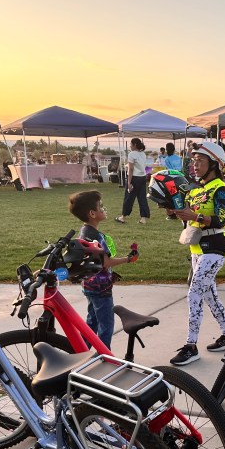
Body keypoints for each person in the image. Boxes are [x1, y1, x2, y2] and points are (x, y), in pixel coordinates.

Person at [168, 142, 225, 366]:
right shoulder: (195, 189)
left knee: (195, 293)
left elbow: (221, 219)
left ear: (213, 164)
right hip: (196, 248)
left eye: (200, 161)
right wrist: (174, 211)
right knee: (209, 295)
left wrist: (194, 216)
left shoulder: (221, 188)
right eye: (193, 160)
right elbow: (186, 215)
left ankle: (190, 346)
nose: (195, 165)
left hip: (215, 246)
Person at [68, 190, 137, 349]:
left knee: (92, 320)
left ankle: (81, 351)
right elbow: (106, 263)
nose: (103, 209)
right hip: (101, 288)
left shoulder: (84, 231)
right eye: (101, 207)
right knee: (106, 324)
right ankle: (105, 356)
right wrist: (128, 259)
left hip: (89, 285)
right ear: (92, 213)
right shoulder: (96, 237)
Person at [117, 137, 150, 224]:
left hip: (134, 178)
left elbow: (131, 169)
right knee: (142, 198)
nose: (130, 146)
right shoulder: (143, 154)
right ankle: (143, 218)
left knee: (129, 198)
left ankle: (123, 217)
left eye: (131, 144)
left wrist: (129, 182)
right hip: (142, 178)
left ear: (135, 145)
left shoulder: (132, 154)